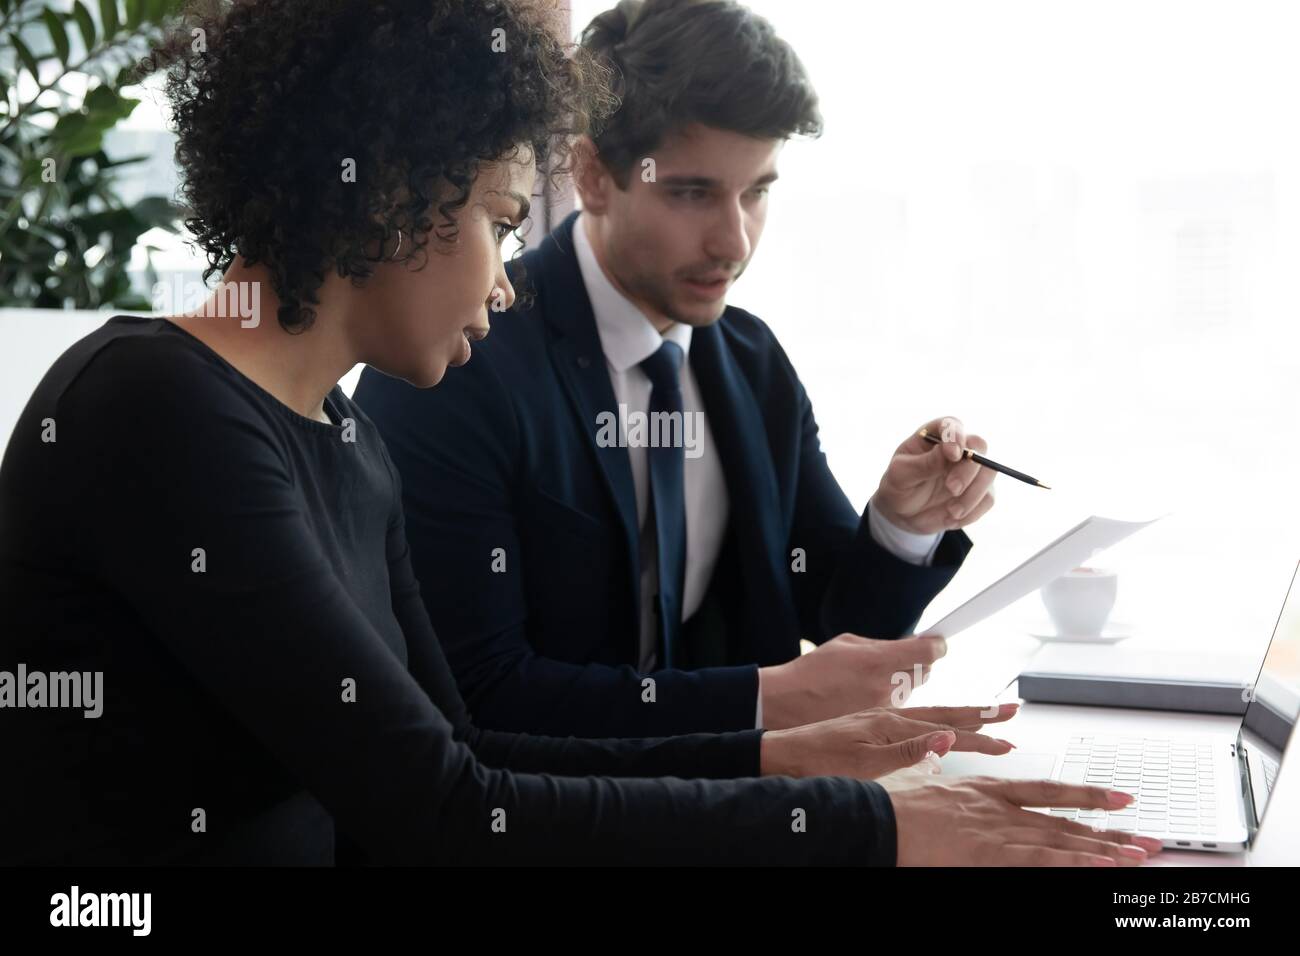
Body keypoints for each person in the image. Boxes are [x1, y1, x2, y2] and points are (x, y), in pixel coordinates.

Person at [0, 0, 1156, 866]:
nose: (505, 283)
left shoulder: (341, 439)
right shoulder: (155, 408)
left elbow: (469, 757)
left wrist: (787, 754)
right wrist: (857, 822)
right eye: (501, 224)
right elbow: (440, 807)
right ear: (388, 194)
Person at [353, 0, 997, 739]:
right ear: (593, 175)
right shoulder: (459, 357)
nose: (734, 240)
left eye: (757, 192)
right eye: (694, 193)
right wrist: (765, 702)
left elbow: (839, 624)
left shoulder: (754, 363)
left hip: (739, 814)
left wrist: (900, 527)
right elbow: (475, 696)